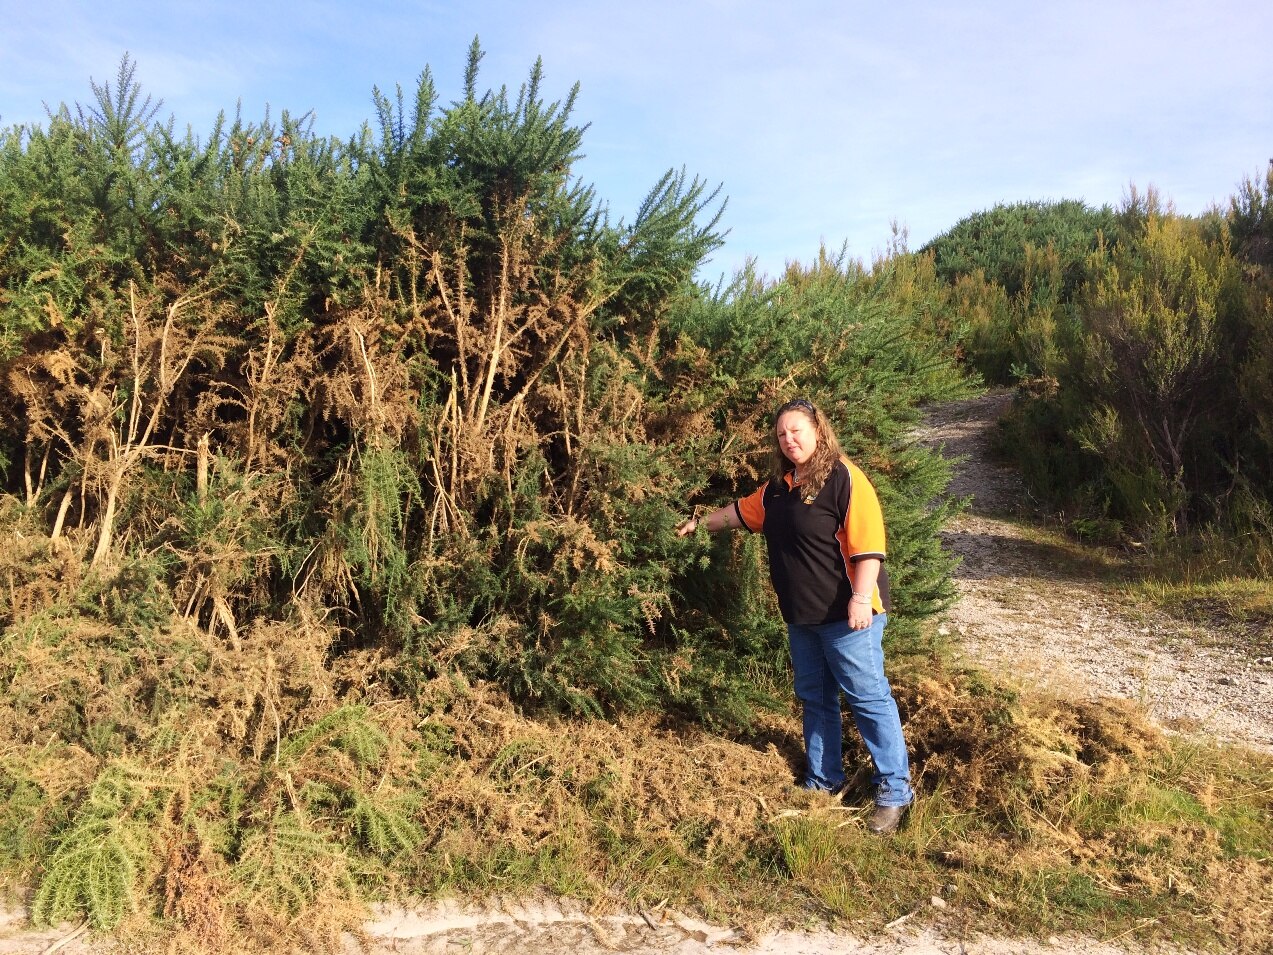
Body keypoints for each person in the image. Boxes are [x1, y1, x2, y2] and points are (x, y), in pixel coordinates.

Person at [675, 397, 914, 834]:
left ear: (817, 431)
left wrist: (861, 599)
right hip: (803, 618)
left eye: (797, 431)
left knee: (867, 698)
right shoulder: (779, 489)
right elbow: (739, 514)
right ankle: (823, 782)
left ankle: (895, 793)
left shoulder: (844, 478)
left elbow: (869, 546)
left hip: (848, 617)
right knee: (815, 698)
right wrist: (698, 525)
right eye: (782, 434)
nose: (789, 440)